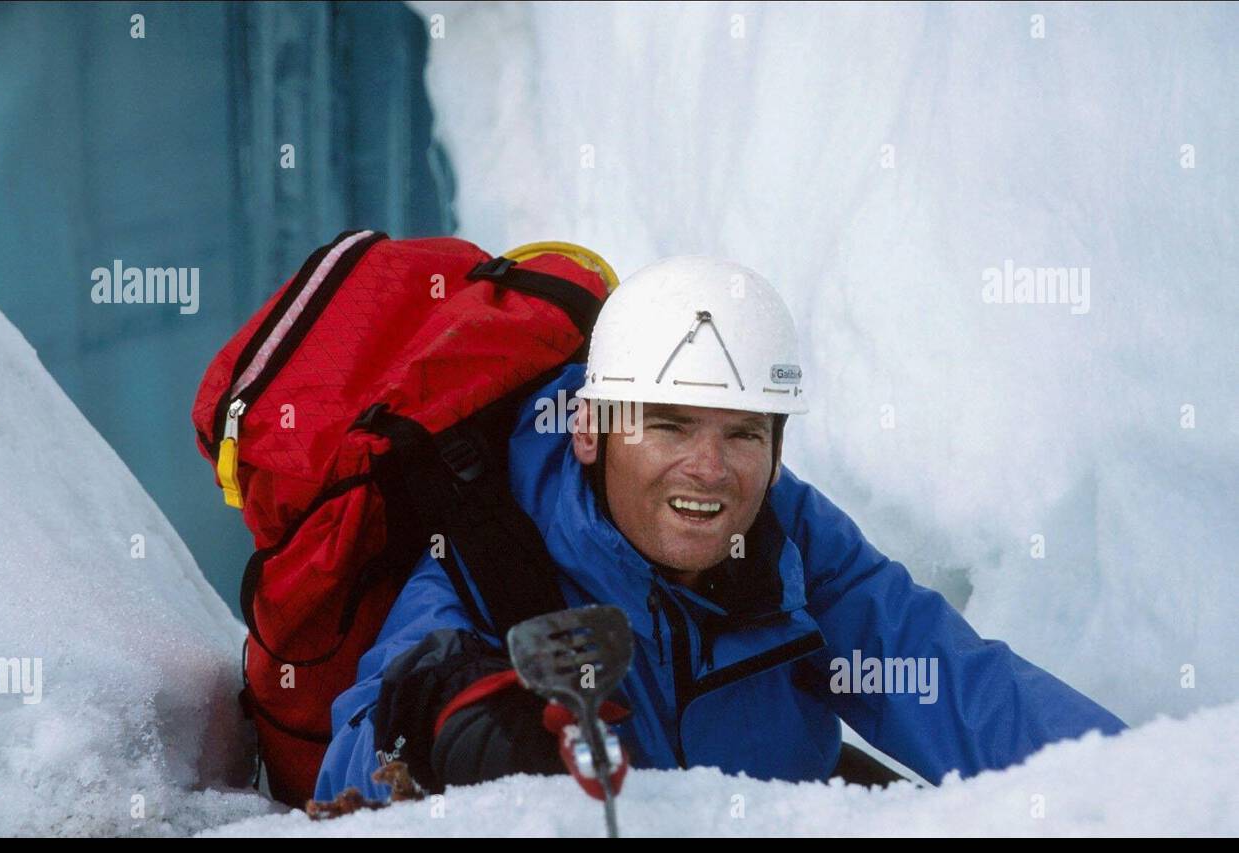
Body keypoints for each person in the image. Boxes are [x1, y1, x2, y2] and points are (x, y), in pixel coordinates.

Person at [313, 255, 1127, 804]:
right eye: (668, 427)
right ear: (591, 431)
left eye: (743, 433)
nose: (709, 469)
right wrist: (451, 729)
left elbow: (957, 685)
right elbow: (357, 752)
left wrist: (1151, 798)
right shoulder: (492, 554)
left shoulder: (792, 540)